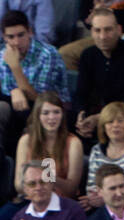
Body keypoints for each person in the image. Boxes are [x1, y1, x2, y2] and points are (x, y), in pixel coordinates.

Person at [72, 7, 124, 142]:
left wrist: (101, 118)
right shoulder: (88, 55)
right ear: (91, 32)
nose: (102, 36)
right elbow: (81, 93)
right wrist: (81, 116)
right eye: (97, 30)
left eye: (108, 30)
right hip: (100, 116)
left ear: (119, 30)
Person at [0, 9, 72, 152]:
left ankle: (43, 172)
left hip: (51, 110)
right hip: (17, 108)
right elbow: (7, 93)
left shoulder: (48, 54)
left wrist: (15, 67)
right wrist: (15, 90)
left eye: (21, 35)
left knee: (31, 120)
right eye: (11, 37)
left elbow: (41, 100)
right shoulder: (2, 54)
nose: (16, 42)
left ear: (30, 32)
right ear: (4, 37)